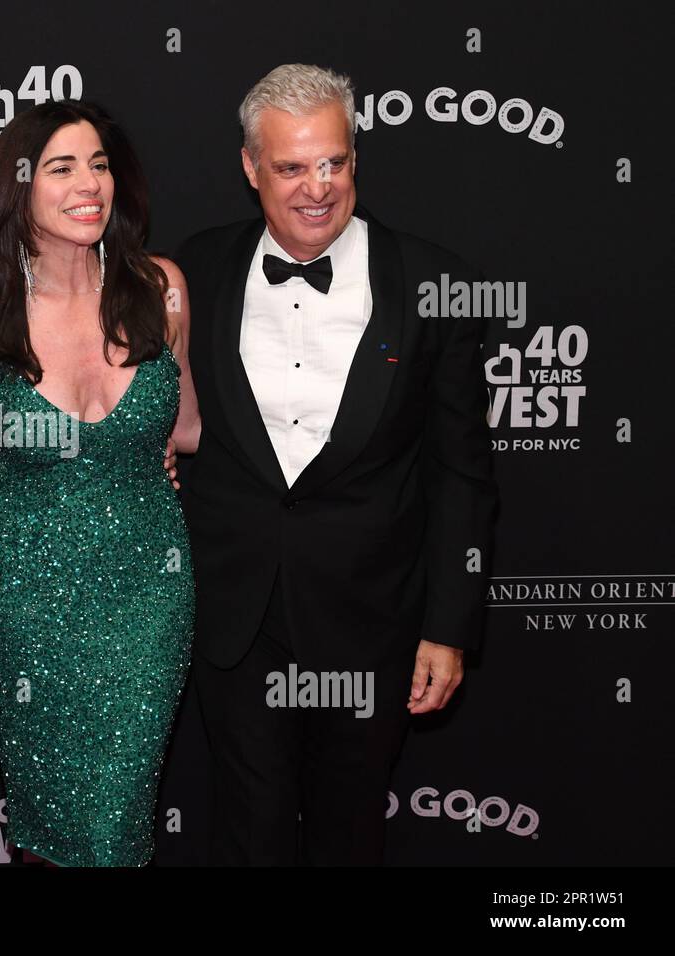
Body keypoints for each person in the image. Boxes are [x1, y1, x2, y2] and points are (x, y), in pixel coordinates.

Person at [178, 63, 498, 865]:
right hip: (236, 618)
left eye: (335, 162)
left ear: (356, 157)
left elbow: (460, 471)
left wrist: (448, 627)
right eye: (291, 167)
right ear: (251, 168)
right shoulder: (193, 272)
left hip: (370, 619)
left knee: (351, 830)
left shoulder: (434, 282)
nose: (317, 187)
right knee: (246, 829)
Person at [0, 99, 200, 866]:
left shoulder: (163, 289)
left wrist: (154, 454)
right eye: (62, 168)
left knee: (117, 823)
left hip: (149, 599)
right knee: (50, 827)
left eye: (99, 165)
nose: (89, 184)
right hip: (31, 609)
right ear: (17, 189)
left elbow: (186, 426)